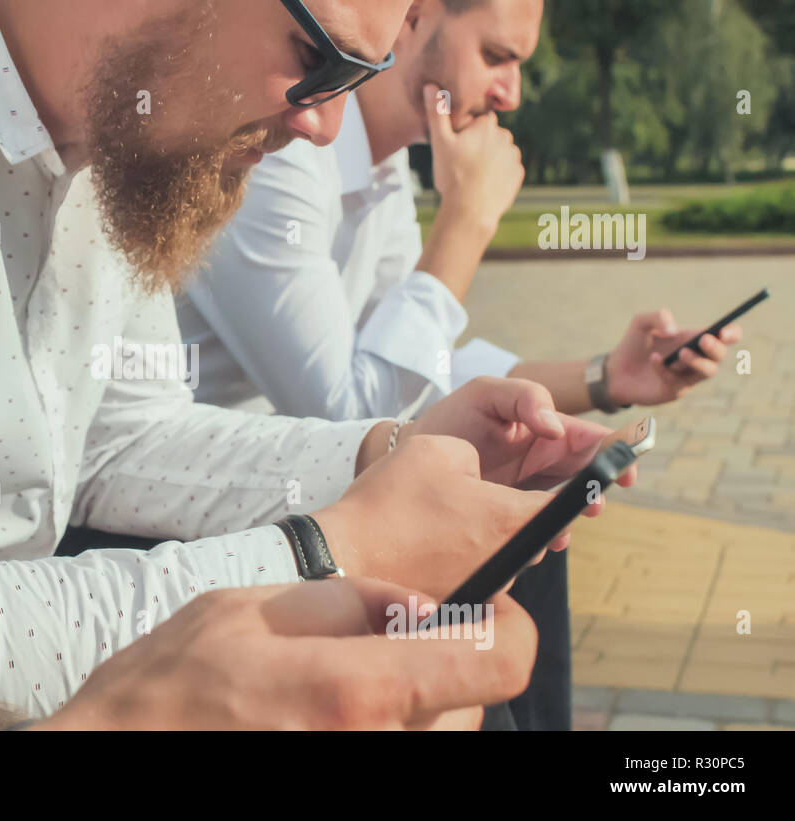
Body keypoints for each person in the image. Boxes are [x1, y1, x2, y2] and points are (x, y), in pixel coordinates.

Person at [0, 0, 627, 722]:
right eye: (316, 58)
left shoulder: (124, 139)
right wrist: (331, 551)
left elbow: (126, 438)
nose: (322, 124)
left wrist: (383, 453)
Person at [176, 0, 741, 728]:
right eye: (498, 57)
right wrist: (467, 220)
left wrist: (606, 377)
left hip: (295, 474)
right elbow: (348, 404)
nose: (510, 93)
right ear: (412, 20)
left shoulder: (378, 177)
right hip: (214, 492)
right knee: (491, 537)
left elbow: (422, 369)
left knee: (527, 515)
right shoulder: (281, 154)